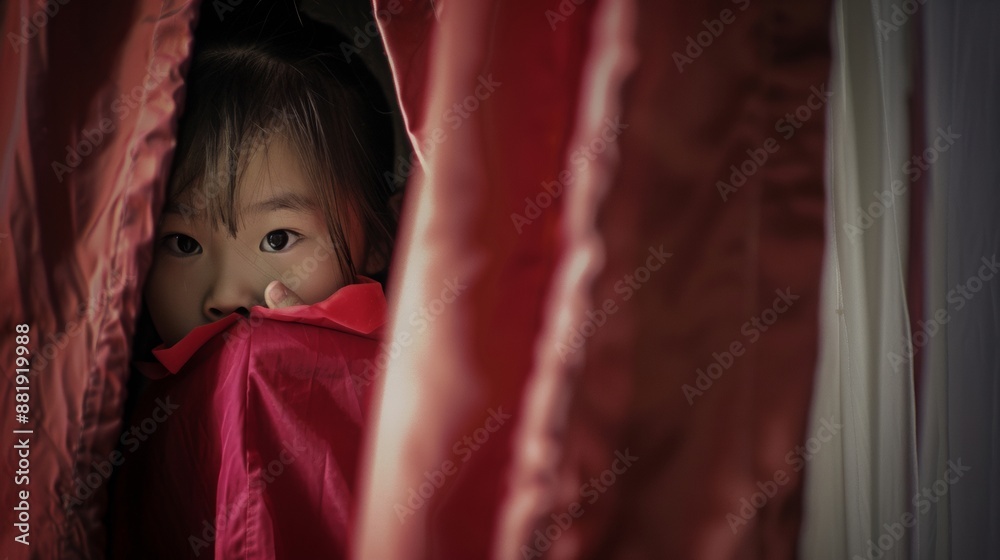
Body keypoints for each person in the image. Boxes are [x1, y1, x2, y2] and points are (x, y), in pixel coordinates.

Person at [112, 38, 398, 559]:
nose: (226, 296)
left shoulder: (277, 365)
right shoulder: (122, 411)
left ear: (378, 238)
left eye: (278, 239)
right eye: (183, 243)